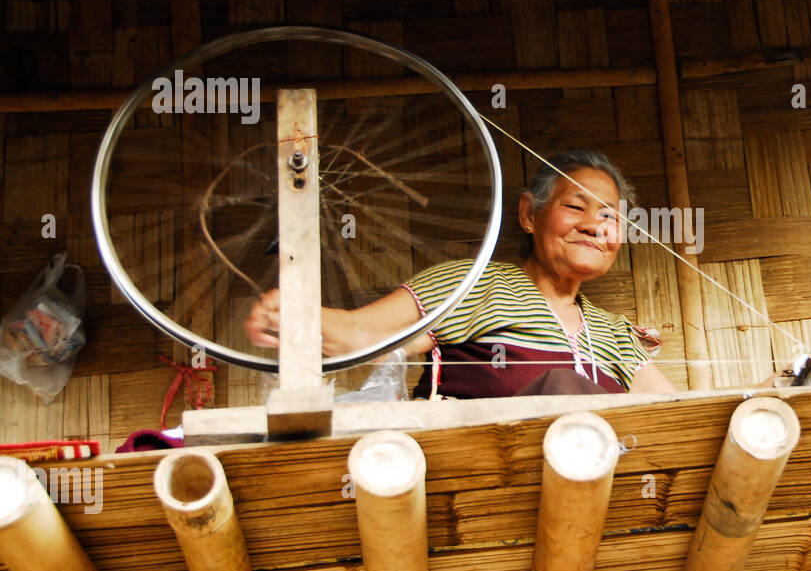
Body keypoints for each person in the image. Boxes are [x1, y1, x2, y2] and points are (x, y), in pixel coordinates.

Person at [245, 148, 677, 398]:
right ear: (529, 214)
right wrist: (296, 315)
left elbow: (672, 415)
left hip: (600, 500)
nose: (593, 226)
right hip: (481, 486)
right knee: (563, 387)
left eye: (609, 216)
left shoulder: (616, 334)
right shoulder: (472, 286)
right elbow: (362, 335)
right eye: (574, 206)